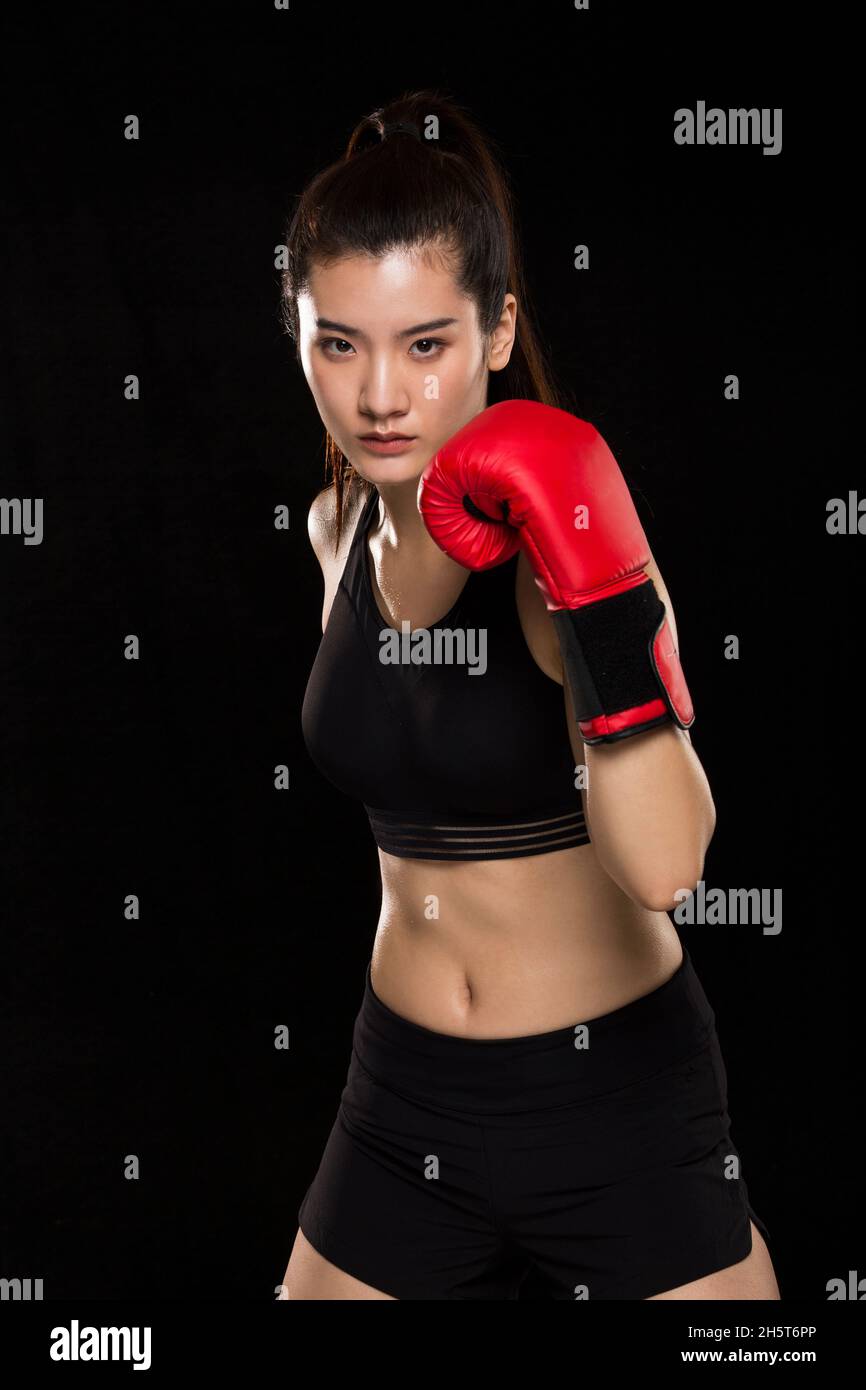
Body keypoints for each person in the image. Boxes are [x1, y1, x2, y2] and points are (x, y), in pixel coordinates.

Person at [276, 89, 780, 1300]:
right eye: (337, 342)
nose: (379, 395)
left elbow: (666, 868)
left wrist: (594, 592)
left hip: (614, 1101)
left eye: (425, 342)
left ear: (498, 331)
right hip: (401, 1097)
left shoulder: (572, 537)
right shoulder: (333, 526)